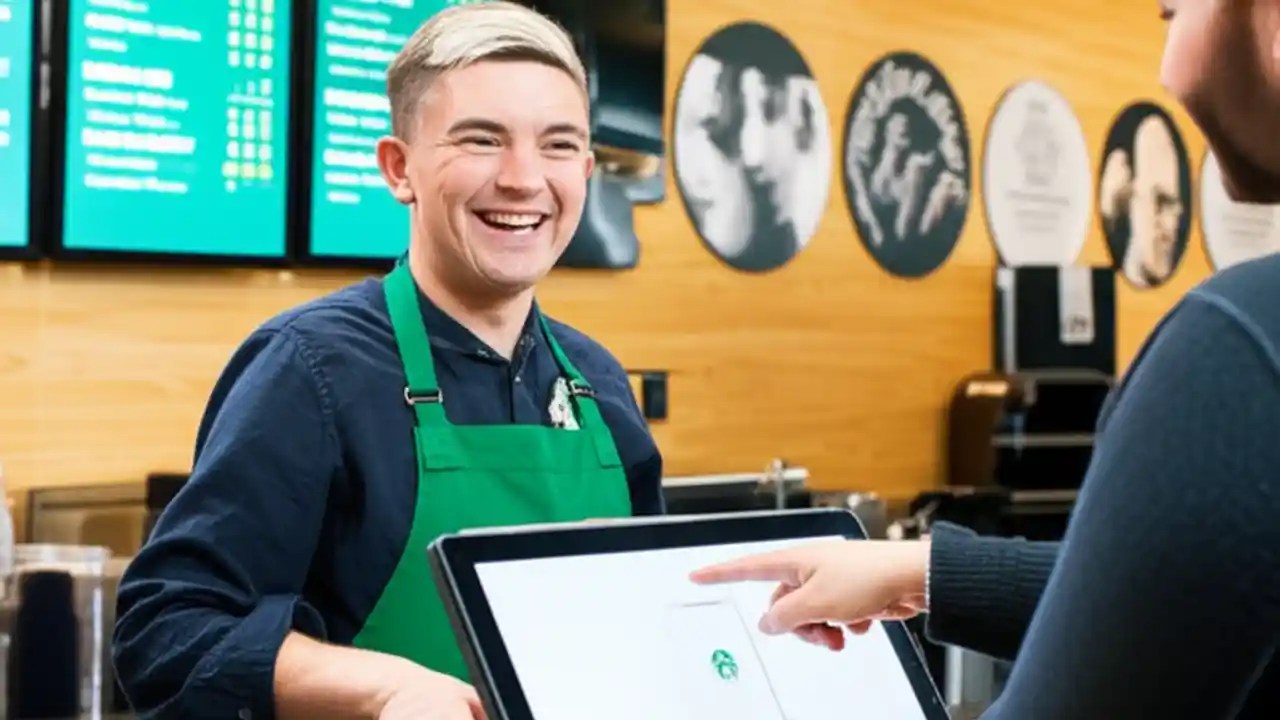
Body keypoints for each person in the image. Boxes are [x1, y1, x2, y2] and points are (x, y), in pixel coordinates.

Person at [692, 1, 1280, 717]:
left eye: (1175, 11)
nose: (1163, 63)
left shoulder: (1239, 344)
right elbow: (1197, 590)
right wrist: (929, 572)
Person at [111, 4, 664, 719]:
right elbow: (168, 632)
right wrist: (383, 689)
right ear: (399, 168)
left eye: (558, 145)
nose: (525, 178)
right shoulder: (309, 370)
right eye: (482, 139)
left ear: (586, 171)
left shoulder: (600, 385)